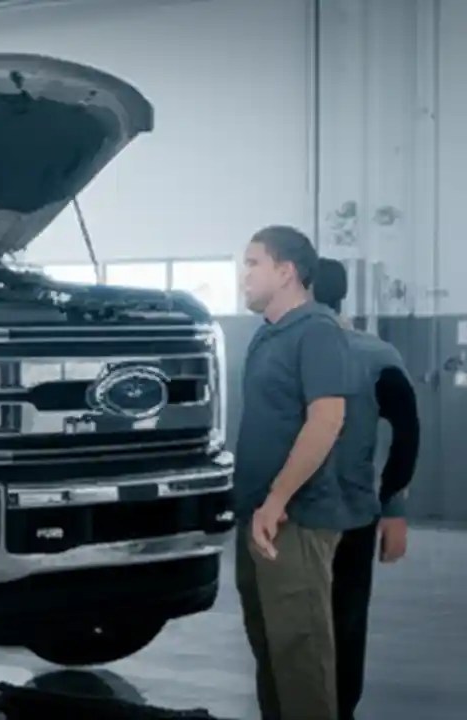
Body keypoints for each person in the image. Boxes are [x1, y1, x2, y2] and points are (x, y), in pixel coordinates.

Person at [235, 225, 363, 720]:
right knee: (270, 652)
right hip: (259, 517)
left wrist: (277, 499)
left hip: (296, 519)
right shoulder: (268, 335)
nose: (243, 275)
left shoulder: (316, 331)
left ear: (285, 271)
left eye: (252, 264)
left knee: (300, 657)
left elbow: (326, 420)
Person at [312, 258, 420, 720]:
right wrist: (392, 504)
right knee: (347, 619)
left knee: (294, 624)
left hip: (294, 515)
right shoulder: (377, 353)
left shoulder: (279, 348)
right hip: (356, 511)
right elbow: (407, 429)